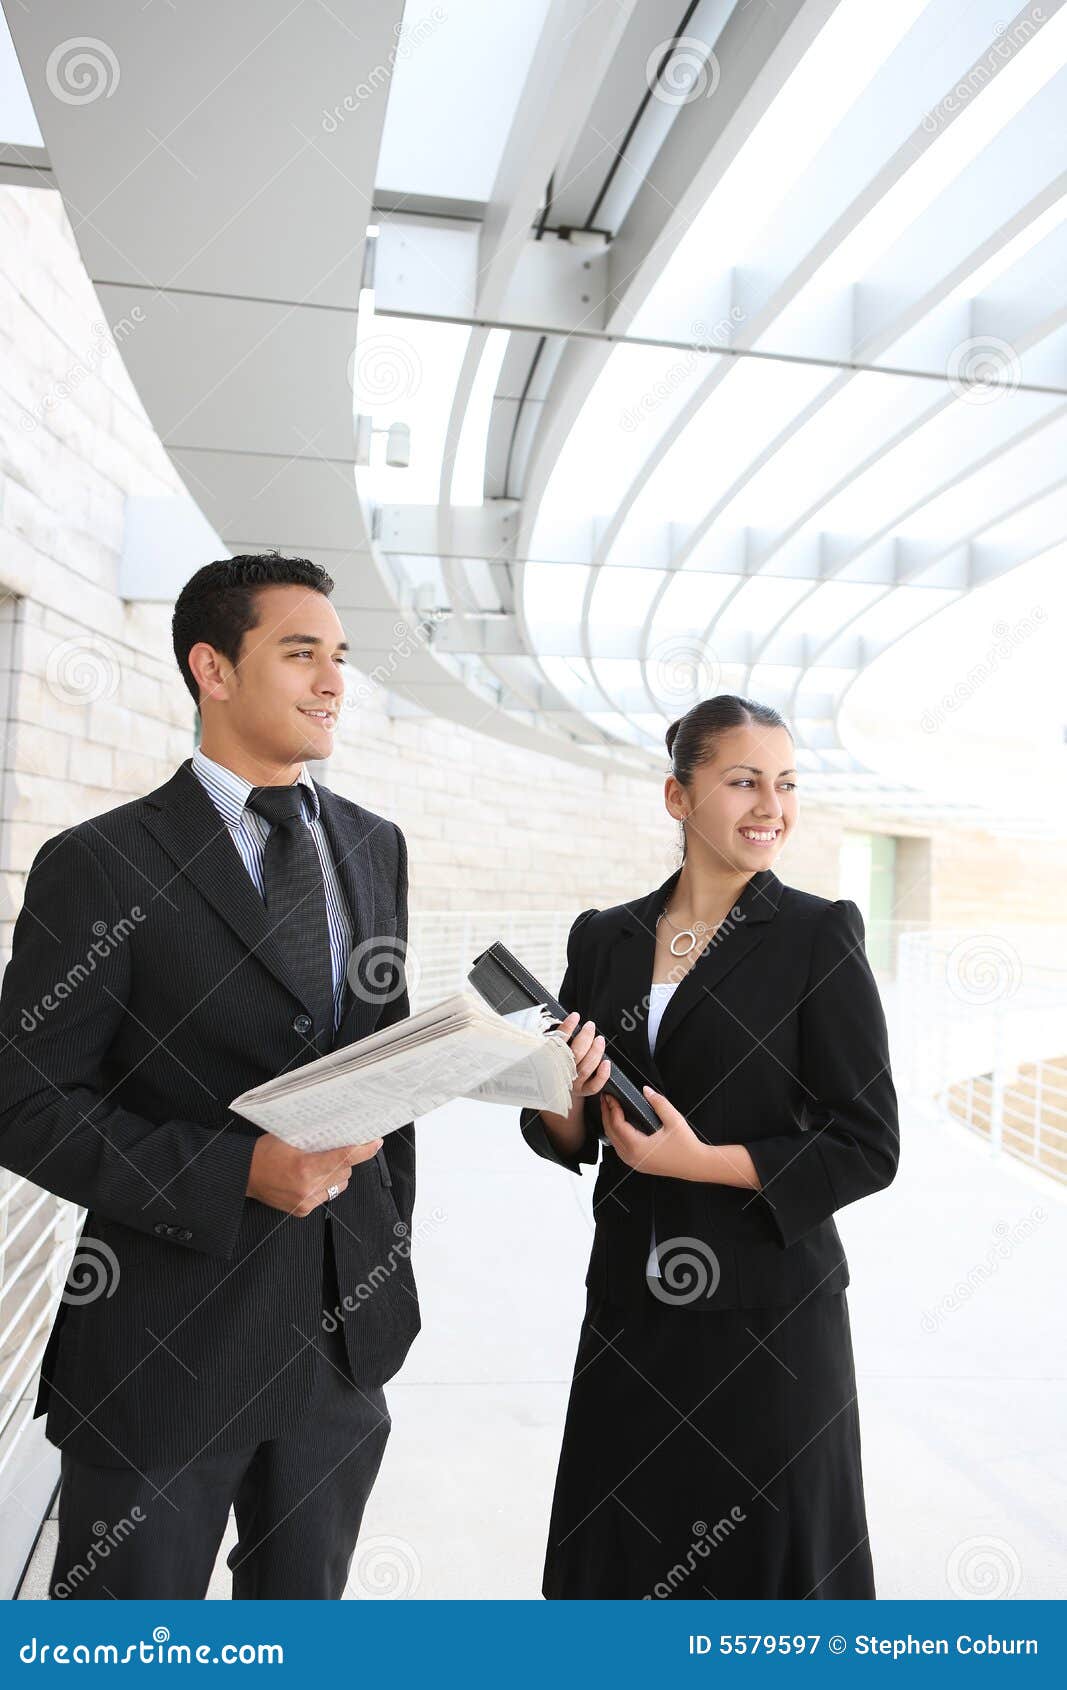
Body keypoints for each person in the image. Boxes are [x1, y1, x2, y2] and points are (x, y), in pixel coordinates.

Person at [0, 552, 419, 1599]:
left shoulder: (373, 847)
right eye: (300, 652)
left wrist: (385, 1245)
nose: (333, 680)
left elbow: (386, 1062)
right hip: (162, 1348)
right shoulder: (102, 862)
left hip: (337, 1341)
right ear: (213, 669)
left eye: (339, 658)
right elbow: (23, 1100)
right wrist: (235, 1172)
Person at [520, 694, 899, 1600]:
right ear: (677, 797)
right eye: (742, 781)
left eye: (786, 783)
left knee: (767, 1578)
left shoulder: (818, 935)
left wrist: (700, 1162)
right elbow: (566, 1132)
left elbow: (866, 1144)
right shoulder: (603, 937)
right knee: (621, 1570)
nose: (771, 806)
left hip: (768, 1326)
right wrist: (564, 1092)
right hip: (630, 1314)